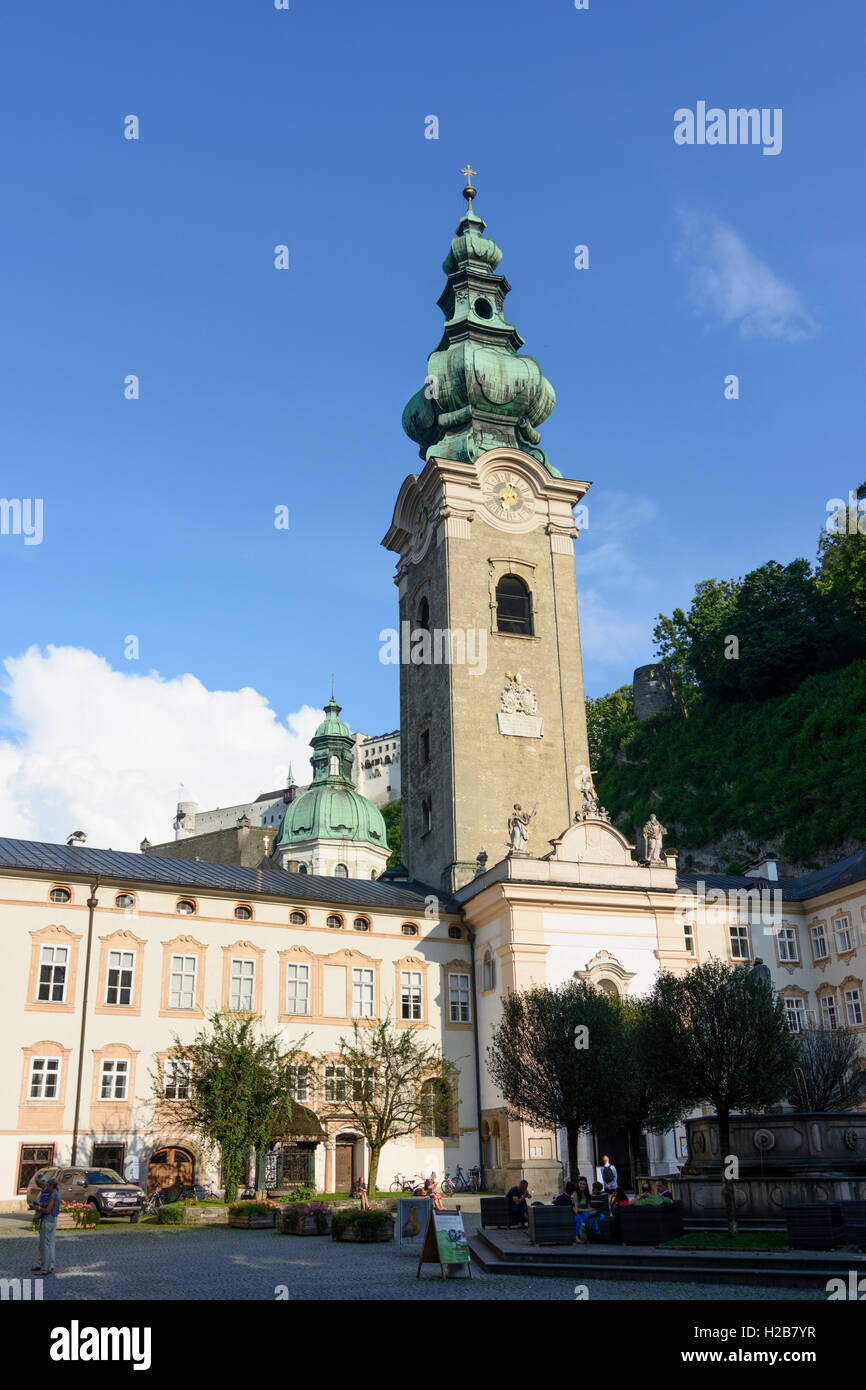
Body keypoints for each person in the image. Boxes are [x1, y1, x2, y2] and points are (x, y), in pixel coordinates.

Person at [36, 1177, 60, 1275]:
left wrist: (37, 1207)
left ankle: (44, 1268)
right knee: (50, 1245)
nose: (46, 1188)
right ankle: (49, 1266)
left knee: (45, 1245)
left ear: (50, 1186)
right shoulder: (56, 1194)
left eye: (47, 1186)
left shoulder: (53, 1196)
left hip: (48, 1220)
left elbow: (47, 1210)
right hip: (53, 1220)